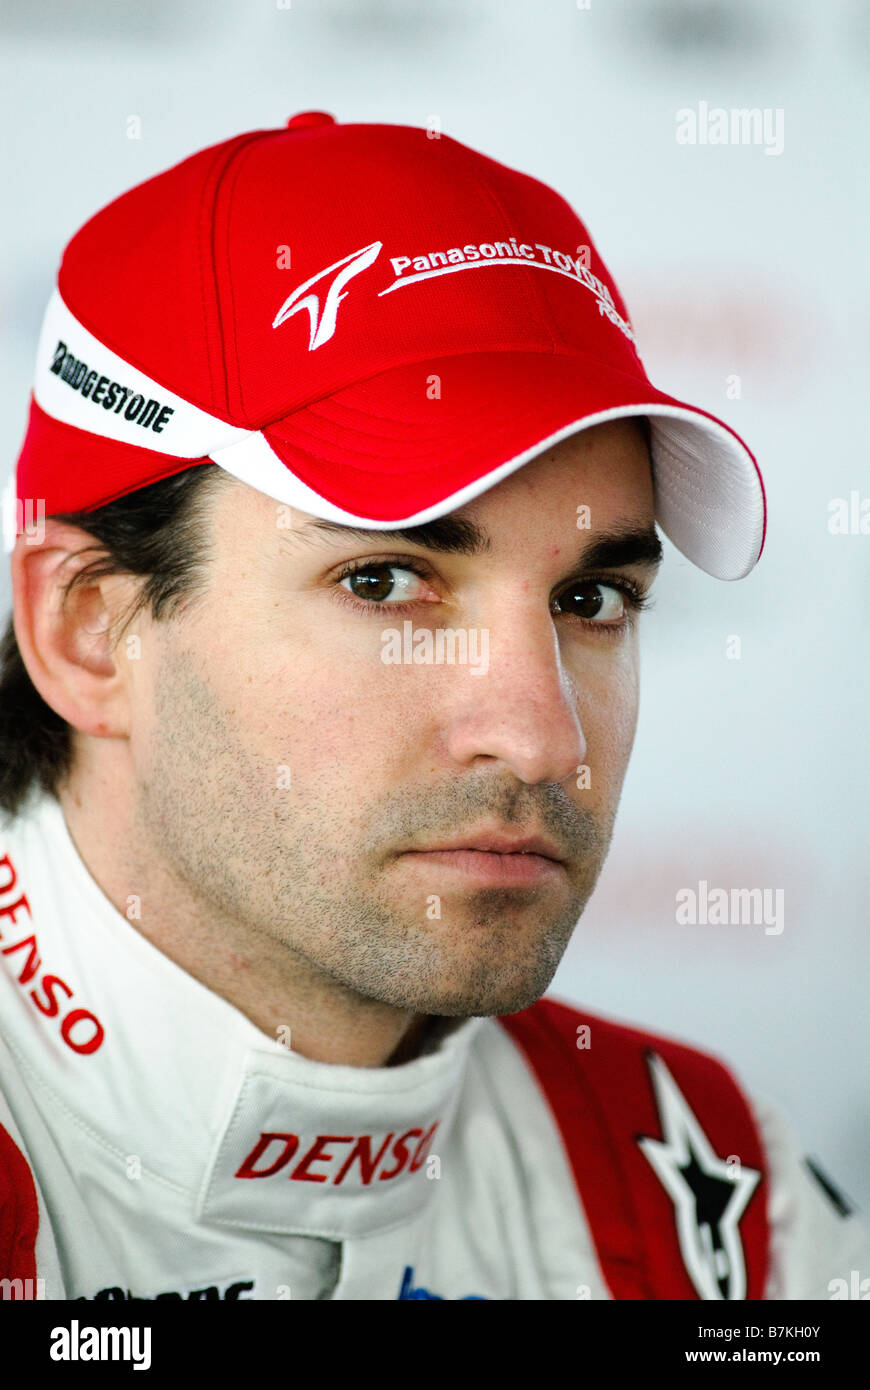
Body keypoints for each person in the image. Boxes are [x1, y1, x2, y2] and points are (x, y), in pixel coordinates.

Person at [0, 112, 866, 1303]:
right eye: (384, 581)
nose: (542, 735)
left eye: (593, 595)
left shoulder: (708, 1189)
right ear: (87, 632)